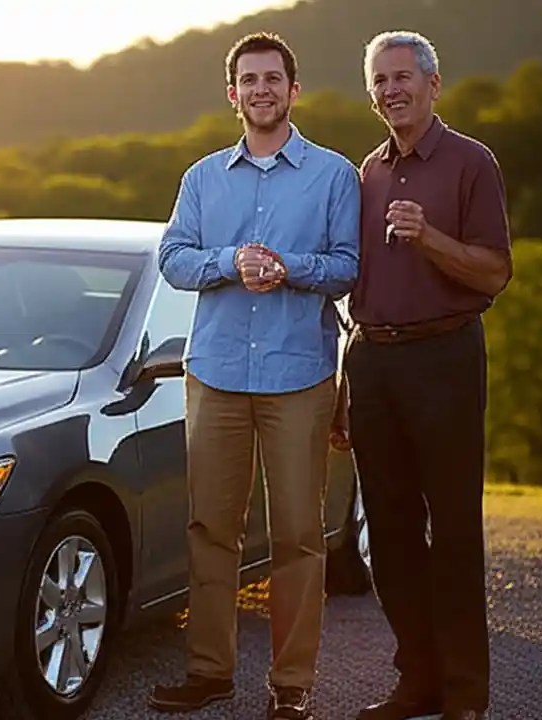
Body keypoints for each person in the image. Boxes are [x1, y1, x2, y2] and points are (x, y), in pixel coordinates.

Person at [146, 32, 360, 720]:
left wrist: (290, 268)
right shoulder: (202, 178)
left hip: (299, 377)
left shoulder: (333, 176)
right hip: (215, 376)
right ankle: (209, 671)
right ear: (232, 94)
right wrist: (231, 260)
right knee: (211, 526)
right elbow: (173, 258)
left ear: (294, 91)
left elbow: (349, 267)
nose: (261, 89)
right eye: (249, 79)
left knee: (298, 535)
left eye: (274, 78)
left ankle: (292, 685)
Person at [340, 30, 512, 720]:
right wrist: (346, 386)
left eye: (403, 77)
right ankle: (419, 681)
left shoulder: (472, 162)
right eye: (379, 80)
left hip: (445, 358)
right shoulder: (368, 171)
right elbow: (360, 292)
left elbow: (495, 272)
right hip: (373, 361)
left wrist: (428, 236)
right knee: (388, 532)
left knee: (455, 531)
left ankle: (466, 695)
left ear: (433, 84)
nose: (391, 90)